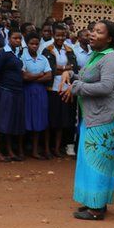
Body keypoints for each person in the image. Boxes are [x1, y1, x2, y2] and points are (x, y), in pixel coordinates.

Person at [62, 20, 114, 221]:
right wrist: (70, 74)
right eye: (93, 30)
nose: (93, 34)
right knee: (89, 161)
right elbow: (85, 77)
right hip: (92, 116)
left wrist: (76, 87)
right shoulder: (96, 56)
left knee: (99, 162)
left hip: (105, 117)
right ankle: (93, 202)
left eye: (99, 32)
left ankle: (96, 210)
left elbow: (105, 87)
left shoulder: (110, 58)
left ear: (109, 39)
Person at [0, 30, 25, 162]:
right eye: (15, 38)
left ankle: (9, 150)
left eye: (19, 39)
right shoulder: (3, 53)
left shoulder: (18, 53)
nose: (18, 41)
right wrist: (4, 80)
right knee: (0, 121)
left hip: (17, 91)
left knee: (11, 121)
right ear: (8, 39)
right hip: (5, 91)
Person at [42, 24, 77, 158]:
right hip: (52, 89)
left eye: (63, 35)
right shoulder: (47, 50)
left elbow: (74, 69)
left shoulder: (69, 49)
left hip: (66, 89)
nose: (60, 38)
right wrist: (65, 68)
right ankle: (46, 148)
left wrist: (64, 68)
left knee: (62, 120)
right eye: (58, 35)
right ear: (53, 35)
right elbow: (50, 70)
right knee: (51, 120)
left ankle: (57, 148)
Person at [21, 32, 53, 159]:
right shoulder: (22, 57)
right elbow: (24, 76)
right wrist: (40, 75)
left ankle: (35, 151)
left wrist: (32, 78)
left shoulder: (43, 58)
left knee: (39, 121)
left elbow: (49, 75)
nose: (34, 46)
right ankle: (21, 150)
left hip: (40, 93)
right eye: (31, 44)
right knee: (26, 120)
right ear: (27, 44)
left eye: (36, 44)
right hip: (26, 92)